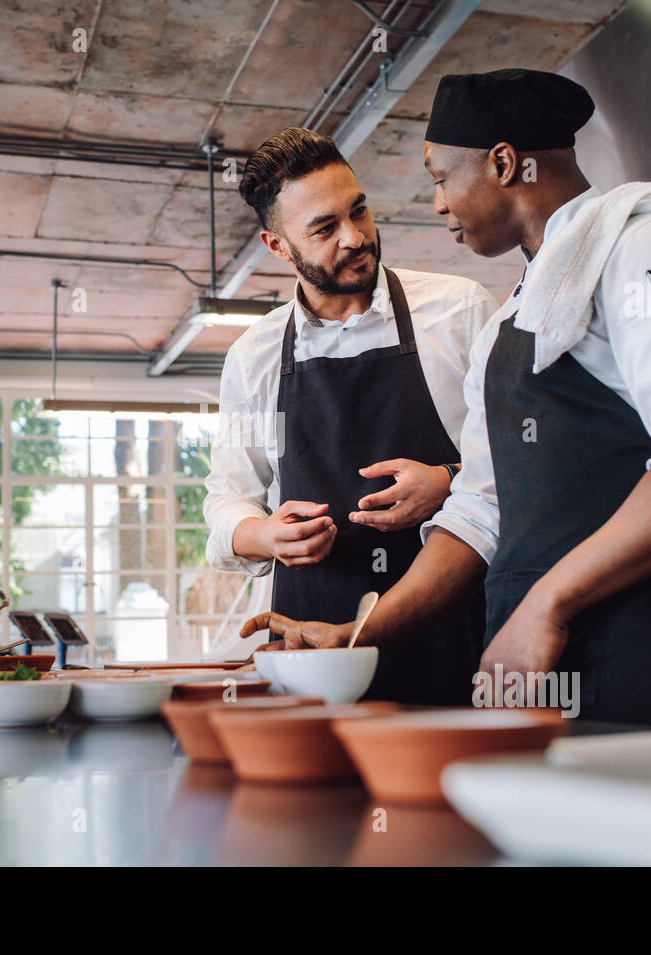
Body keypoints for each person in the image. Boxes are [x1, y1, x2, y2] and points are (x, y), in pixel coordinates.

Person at [240, 71, 651, 727]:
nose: (438, 204)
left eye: (441, 178)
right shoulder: (510, 322)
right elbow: (479, 513)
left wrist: (548, 603)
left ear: (504, 164)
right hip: (545, 665)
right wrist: (358, 637)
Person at [204, 127, 498, 704]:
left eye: (358, 211)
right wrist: (264, 533)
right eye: (324, 228)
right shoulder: (255, 356)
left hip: (454, 632)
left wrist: (447, 482)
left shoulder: (458, 311)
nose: (355, 237)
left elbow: (519, 465)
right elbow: (226, 497)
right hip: (313, 653)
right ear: (278, 246)